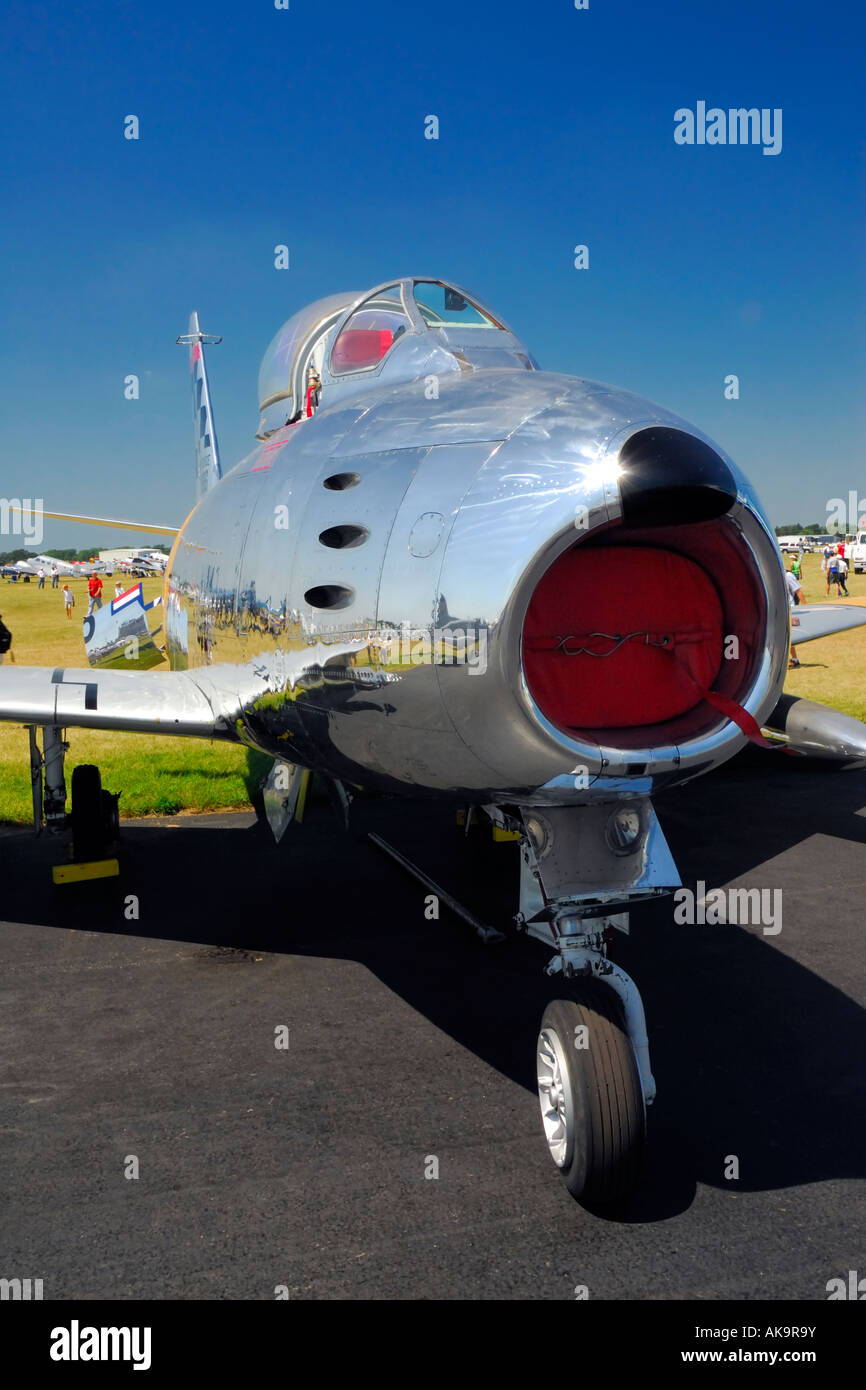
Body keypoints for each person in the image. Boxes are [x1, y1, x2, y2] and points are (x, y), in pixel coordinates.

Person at [786, 564, 805, 668]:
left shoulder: (788, 575)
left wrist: (806, 608)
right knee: (786, 636)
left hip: (791, 609)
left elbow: (799, 591)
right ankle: (793, 659)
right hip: (781, 610)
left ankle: (794, 659)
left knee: (789, 636)